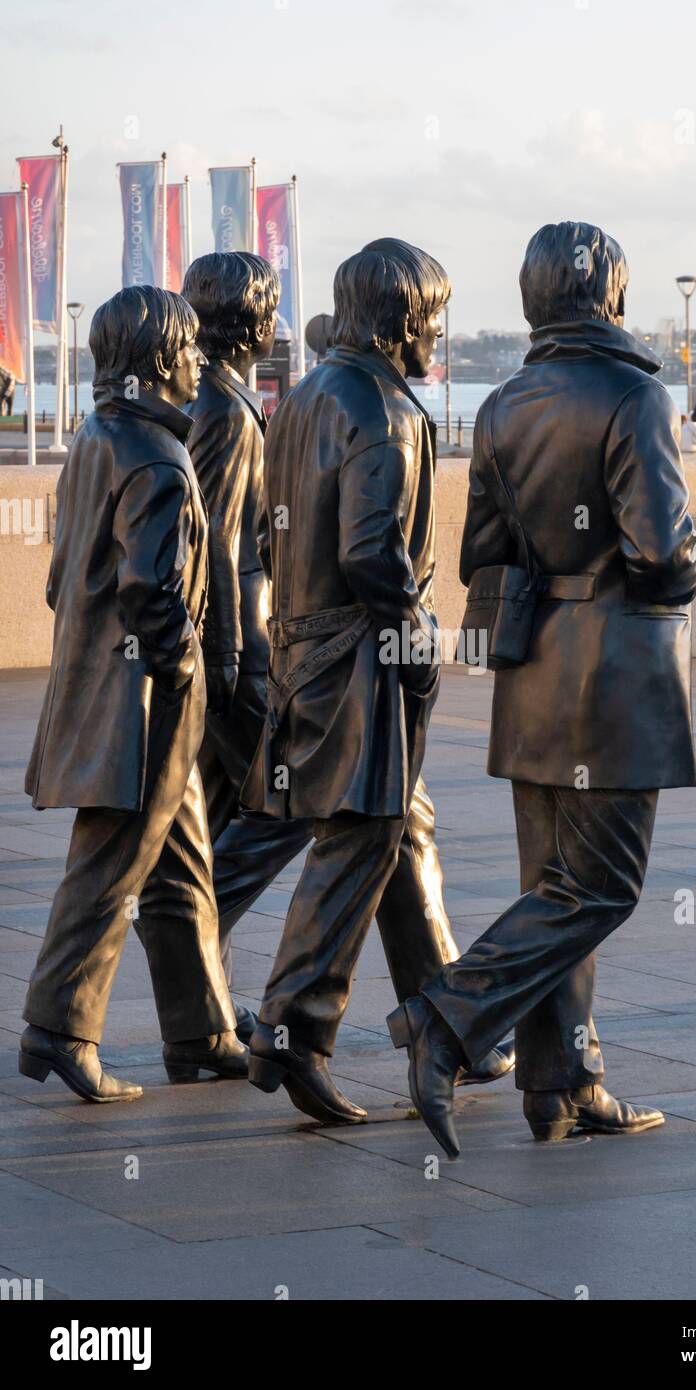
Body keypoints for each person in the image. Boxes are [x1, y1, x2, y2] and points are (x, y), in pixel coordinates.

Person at [386, 222, 696, 1157]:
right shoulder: (635, 395)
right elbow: (663, 554)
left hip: (534, 673)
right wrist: (689, 559)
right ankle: (443, 1021)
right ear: (609, 295)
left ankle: (563, 1084)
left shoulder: (501, 406)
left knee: (553, 884)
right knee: (599, 887)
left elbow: (482, 552)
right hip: (612, 678)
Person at [181, 250, 512, 1086]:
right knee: (361, 834)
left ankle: (446, 1019)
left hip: (305, 650)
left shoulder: (300, 400)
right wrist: (417, 647)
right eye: (433, 317)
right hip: (362, 663)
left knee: (405, 829)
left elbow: (269, 536)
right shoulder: (384, 409)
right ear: (403, 320)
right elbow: (373, 554)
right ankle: (296, 1037)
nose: (439, 334)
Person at [19, 286, 245, 1102]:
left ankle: (203, 1030)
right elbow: (153, 588)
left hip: (105, 682)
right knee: (113, 864)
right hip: (143, 698)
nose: (200, 364)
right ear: (159, 361)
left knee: (182, 863)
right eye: (189, 352)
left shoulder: (96, 438)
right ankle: (59, 1026)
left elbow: (59, 579)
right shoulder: (158, 456)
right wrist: (183, 665)